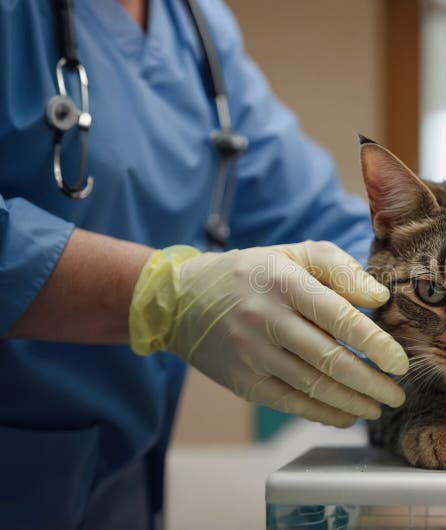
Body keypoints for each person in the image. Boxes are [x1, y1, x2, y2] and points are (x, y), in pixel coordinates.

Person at [0, 1, 408, 528]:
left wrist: (445, 291)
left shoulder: (194, 22)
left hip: (116, 480)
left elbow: (315, 217)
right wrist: (159, 294)